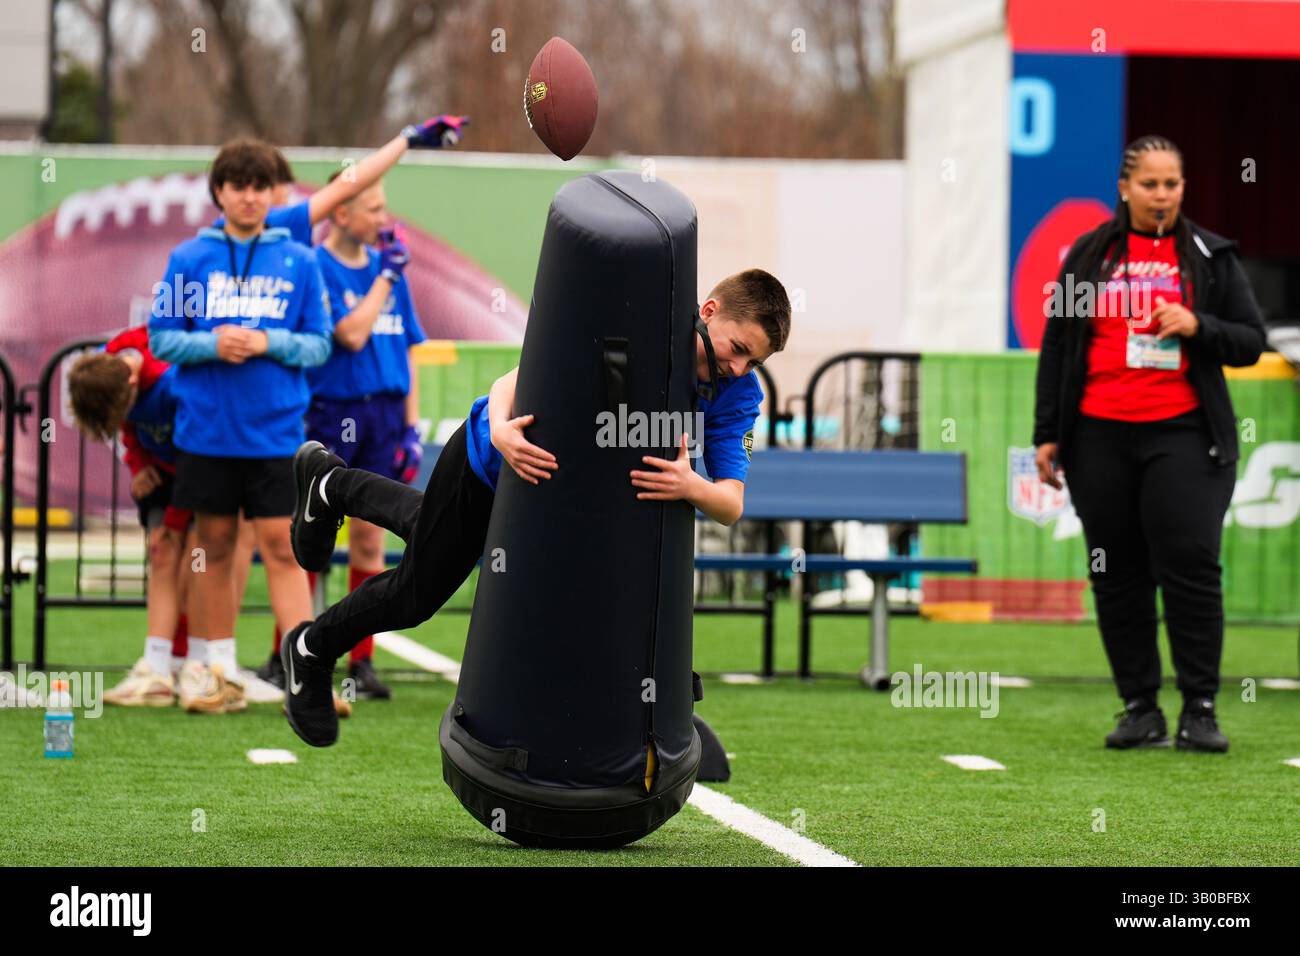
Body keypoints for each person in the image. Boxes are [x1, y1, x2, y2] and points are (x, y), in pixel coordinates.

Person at [280, 269, 791, 746]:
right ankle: (312, 648)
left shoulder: (738, 393)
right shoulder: (643, 330)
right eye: (739, 348)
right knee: (417, 593)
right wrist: (502, 428)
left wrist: (689, 484)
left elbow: (730, 504)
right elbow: (521, 374)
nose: (740, 367)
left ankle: (332, 484)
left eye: (755, 362)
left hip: (564, 500)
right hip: (491, 465)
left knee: (449, 535)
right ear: (708, 310)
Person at [1033, 134, 1266, 753]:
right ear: (1125, 187)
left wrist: (1199, 325)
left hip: (1186, 436)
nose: (1162, 194)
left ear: (1182, 188)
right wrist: (1048, 433)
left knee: (1190, 567)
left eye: (1172, 183)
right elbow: (1057, 344)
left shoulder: (1209, 256)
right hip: (1099, 437)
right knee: (1117, 574)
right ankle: (1139, 707)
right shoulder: (1089, 256)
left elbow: (1249, 340)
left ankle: (1201, 708)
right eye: (1150, 183)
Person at [148, 139, 333, 715]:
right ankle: (217, 668)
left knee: (284, 550)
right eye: (237, 186)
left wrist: (268, 341)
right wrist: (211, 343)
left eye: (259, 186)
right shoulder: (188, 259)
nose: (249, 197)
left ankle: (307, 674)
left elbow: (320, 343)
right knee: (213, 548)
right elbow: (161, 337)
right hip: (206, 432)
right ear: (219, 193)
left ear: (272, 193)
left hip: (276, 435)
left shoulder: (300, 261)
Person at [253, 172, 426, 700]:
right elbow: (349, 335)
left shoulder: (388, 270)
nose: (383, 218)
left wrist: (411, 425)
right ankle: (289, 648)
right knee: (313, 537)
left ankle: (361, 662)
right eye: (372, 208)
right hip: (334, 412)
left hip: (383, 415)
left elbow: (408, 349)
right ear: (342, 214)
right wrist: (386, 280)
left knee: (371, 540)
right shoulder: (319, 268)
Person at [66, 328, 202, 707]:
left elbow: (196, 450)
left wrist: (176, 521)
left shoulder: (174, 380)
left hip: (200, 467)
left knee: (195, 559)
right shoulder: (106, 367)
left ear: (132, 383)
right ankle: (156, 668)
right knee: (160, 556)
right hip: (160, 468)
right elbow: (127, 427)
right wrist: (138, 465)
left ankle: (194, 663)